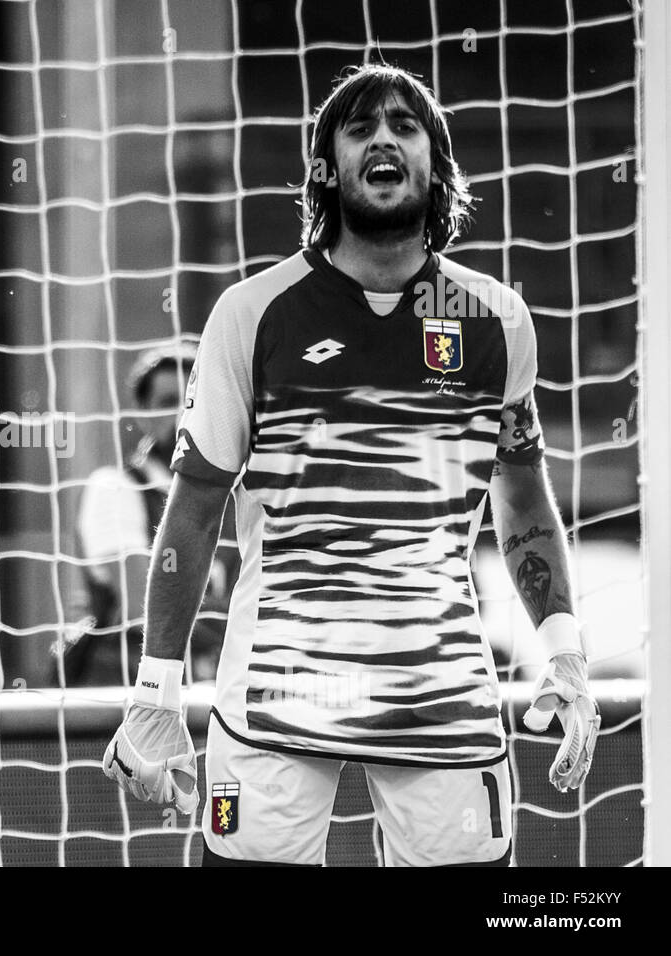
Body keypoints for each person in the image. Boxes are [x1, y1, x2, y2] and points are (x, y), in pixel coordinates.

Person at [101, 64, 600, 867]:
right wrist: (156, 690)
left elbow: (525, 501)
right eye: (360, 128)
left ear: (435, 163)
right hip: (276, 692)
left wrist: (566, 654)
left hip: (440, 694)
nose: (383, 140)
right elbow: (192, 509)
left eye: (405, 127)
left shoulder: (496, 319)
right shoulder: (252, 313)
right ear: (327, 169)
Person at [58, 343, 235, 685]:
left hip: (208, 690)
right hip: (122, 690)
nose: (183, 414)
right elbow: (143, 606)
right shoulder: (115, 487)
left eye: (194, 400)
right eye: (169, 402)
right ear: (142, 415)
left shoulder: (236, 496)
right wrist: (242, 628)